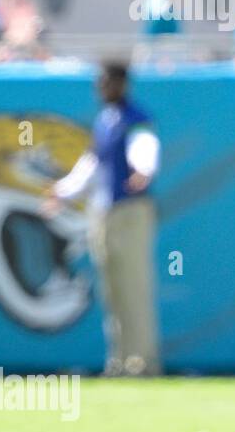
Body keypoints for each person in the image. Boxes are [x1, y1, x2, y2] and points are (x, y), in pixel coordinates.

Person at [40, 62, 162, 377]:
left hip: (130, 212)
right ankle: (119, 361)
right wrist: (62, 191)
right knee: (112, 290)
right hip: (104, 213)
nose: (102, 87)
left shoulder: (136, 117)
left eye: (108, 82)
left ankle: (143, 361)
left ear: (122, 84)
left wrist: (143, 168)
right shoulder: (105, 121)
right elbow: (93, 164)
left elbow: (144, 146)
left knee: (134, 286)